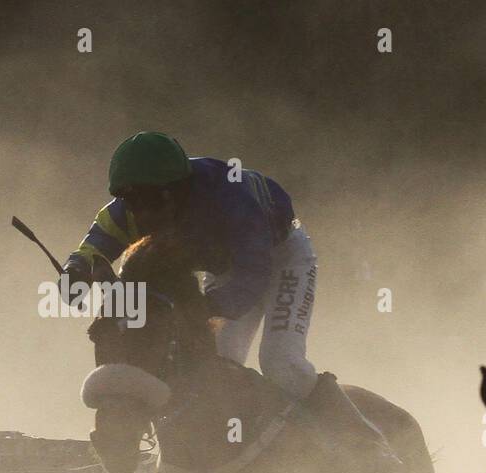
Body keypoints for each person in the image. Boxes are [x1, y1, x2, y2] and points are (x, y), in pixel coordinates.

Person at [63, 131, 389, 452]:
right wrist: (75, 271)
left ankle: (371, 444)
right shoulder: (129, 209)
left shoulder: (228, 200)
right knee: (212, 366)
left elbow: (254, 273)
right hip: (228, 269)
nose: (144, 214)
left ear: (178, 191)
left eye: (152, 202)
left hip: (281, 259)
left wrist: (203, 308)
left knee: (281, 363)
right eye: (134, 202)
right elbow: (94, 247)